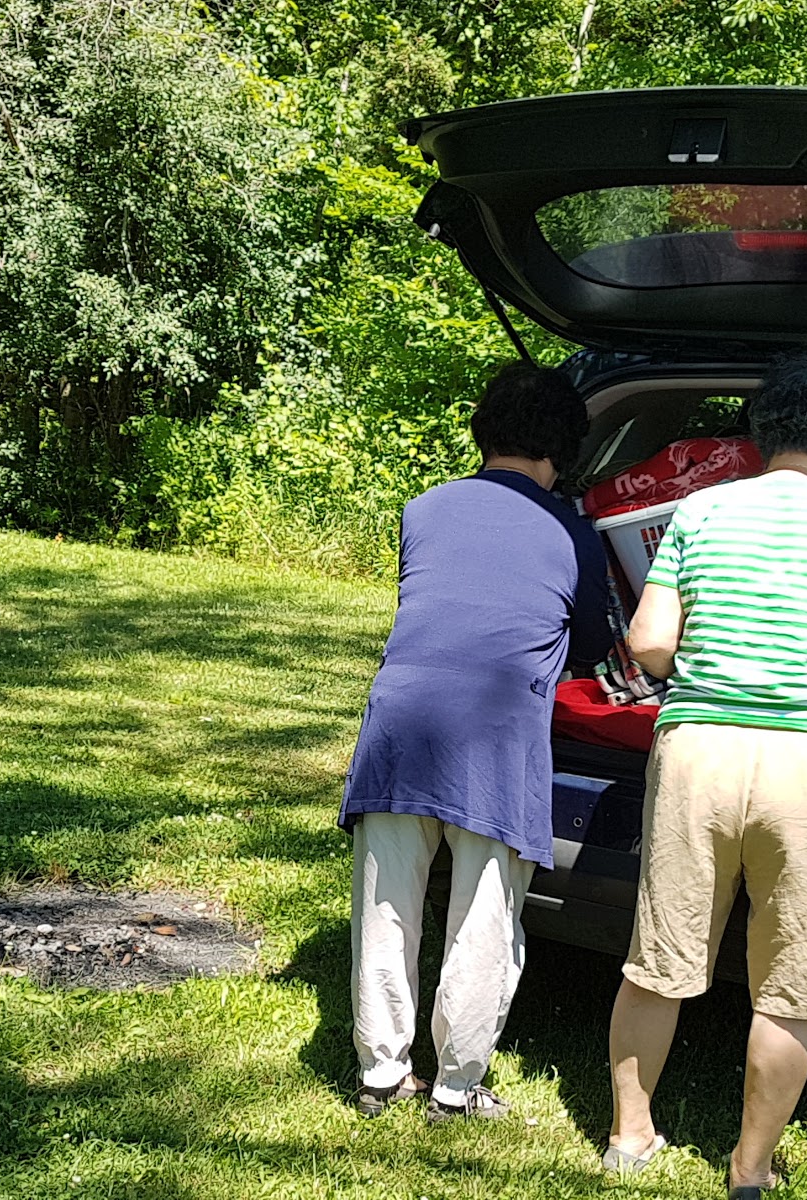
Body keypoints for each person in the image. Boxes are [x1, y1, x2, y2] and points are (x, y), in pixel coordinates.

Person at [603, 349, 807, 1195]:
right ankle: (748, 1170)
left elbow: (648, 644)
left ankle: (630, 1138)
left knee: (659, 958)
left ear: (762, 434)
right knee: (793, 983)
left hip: (699, 751)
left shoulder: (700, 513)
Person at [339, 361, 610, 1122]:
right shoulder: (574, 533)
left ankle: (382, 1076)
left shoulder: (422, 508)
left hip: (400, 724)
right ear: (565, 446)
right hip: (497, 737)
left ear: (482, 428)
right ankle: (457, 1087)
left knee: (387, 903)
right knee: (484, 912)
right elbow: (589, 646)